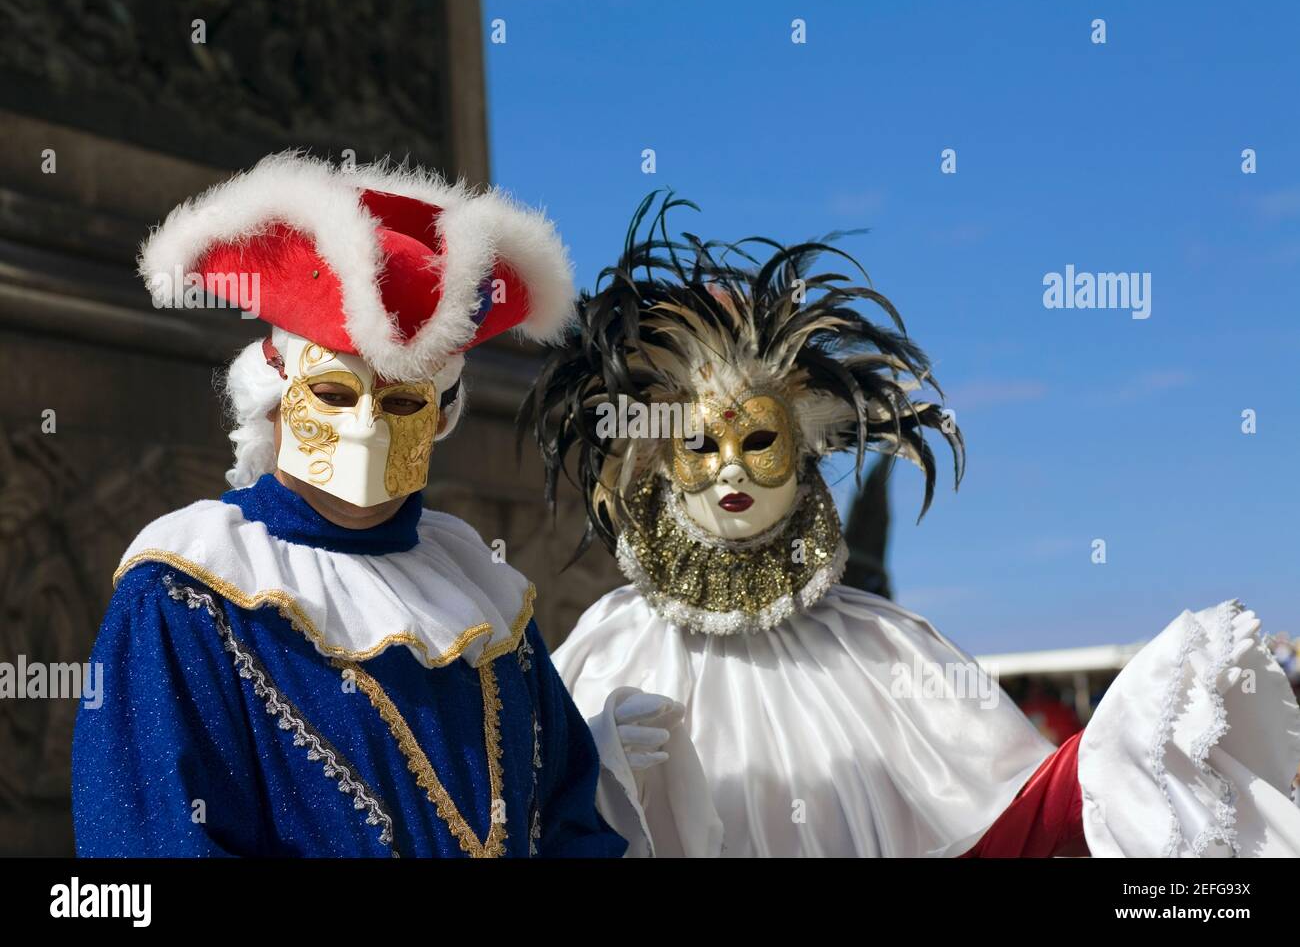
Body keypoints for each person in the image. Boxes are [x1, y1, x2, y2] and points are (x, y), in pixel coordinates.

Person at [523, 192, 1300, 857]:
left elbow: (1010, 824)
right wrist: (592, 767)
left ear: (805, 449)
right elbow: (507, 820)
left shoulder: (881, 647)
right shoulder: (610, 645)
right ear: (657, 458)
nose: (731, 469)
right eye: (700, 444)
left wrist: (1125, 748)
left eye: (758, 440)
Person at [72, 153, 626, 858]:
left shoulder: (487, 604)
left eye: (403, 403)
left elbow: (567, 823)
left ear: (441, 416)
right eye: (333, 394)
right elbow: (153, 844)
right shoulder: (188, 594)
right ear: (274, 400)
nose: (366, 428)